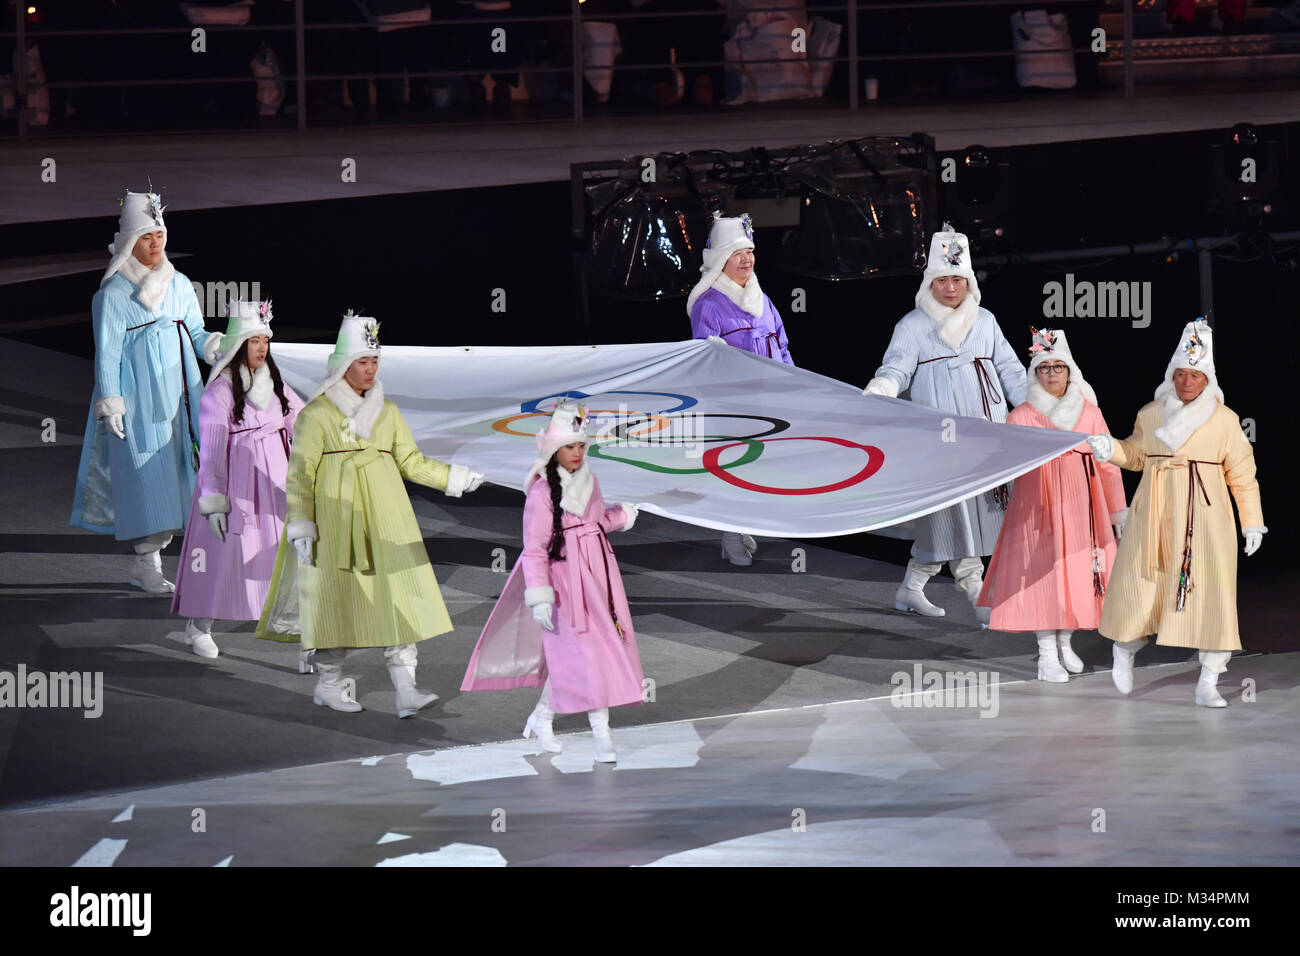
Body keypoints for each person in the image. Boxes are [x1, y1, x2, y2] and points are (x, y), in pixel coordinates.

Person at [255, 313, 485, 717]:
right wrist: (302, 524)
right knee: (336, 604)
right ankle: (328, 685)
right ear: (345, 365)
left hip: (385, 518)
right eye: (363, 361)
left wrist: (456, 478)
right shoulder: (316, 415)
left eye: (375, 361)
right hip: (335, 523)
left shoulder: (388, 411)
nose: (371, 369)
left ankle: (406, 689)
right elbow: (300, 476)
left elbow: (411, 462)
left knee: (396, 601)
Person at [1087, 319, 1265, 708]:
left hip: (1206, 514)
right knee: (1142, 579)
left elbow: (1243, 474)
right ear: (1172, 374)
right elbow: (1135, 455)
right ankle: (1125, 648)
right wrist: (1110, 448)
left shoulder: (1225, 419)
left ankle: (1209, 680)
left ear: (1207, 379)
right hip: (1156, 508)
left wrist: (1252, 520)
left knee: (1212, 590)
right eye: (1181, 374)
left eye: (1195, 375)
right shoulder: (1152, 413)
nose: (1187, 382)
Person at [863, 224, 1027, 624]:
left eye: (957, 278)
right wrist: (880, 390)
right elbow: (896, 369)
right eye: (942, 279)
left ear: (968, 281)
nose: (950, 287)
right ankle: (975, 590)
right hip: (941, 438)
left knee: (965, 514)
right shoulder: (913, 326)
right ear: (930, 283)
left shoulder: (985, 321)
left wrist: (1033, 409)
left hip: (985, 434)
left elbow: (1010, 370)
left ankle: (913, 586)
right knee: (953, 514)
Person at [461, 403, 643, 763]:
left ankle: (543, 716)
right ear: (553, 450)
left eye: (581, 445)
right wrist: (540, 596)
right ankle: (600, 734)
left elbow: (596, 523)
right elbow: (534, 548)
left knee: (590, 654)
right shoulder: (543, 493)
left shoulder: (590, 481)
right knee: (586, 656)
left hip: (598, 577)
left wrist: (621, 516)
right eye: (570, 446)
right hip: (566, 582)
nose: (577, 452)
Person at [70, 189, 220, 593]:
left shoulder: (180, 283)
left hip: (180, 390)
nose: (155, 244)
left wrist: (216, 345)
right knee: (147, 474)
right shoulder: (114, 294)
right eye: (146, 236)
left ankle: (189, 557)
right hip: (139, 398)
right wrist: (111, 402)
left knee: (182, 468)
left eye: (160, 235)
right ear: (130, 241)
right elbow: (107, 353)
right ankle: (147, 563)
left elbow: (197, 330)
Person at [977, 328, 1127, 681]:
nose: (1052, 374)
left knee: (1074, 573)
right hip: (1036, 509)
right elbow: (1006, 461)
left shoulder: (1089, 412)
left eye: (1059, 367)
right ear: (1035, 373)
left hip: (1079, 505)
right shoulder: (1023, 415)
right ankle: (1046, 653)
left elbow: (1107, 461)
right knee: (1042, 577)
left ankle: (1064, 641)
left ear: (1070, 371)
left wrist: (1116, 508)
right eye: (1045, 368)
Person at [170, 301, 305, 660]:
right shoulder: (220, 391)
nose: (261, 347)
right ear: (238, 344)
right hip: (236, 483)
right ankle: (198, 625)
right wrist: (214, 498)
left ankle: (298, 627)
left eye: (265, 340)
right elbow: (212, 451)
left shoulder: (275, 384)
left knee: (280, 554)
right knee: (223, 555)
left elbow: (301, 422)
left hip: (273, 479)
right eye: (254, 340)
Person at [688, 211, 792, 566]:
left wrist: (794, 386)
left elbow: (783, 345)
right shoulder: (708, 305)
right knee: (732, 466)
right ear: (721, 260)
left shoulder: (763, 300)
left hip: (767, 402)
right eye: (737, 253)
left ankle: (741, 523)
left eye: (749, 251)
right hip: (731, 404)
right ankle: (729, 535)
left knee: (756, 467)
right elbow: (706, 360)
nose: (746, 259)